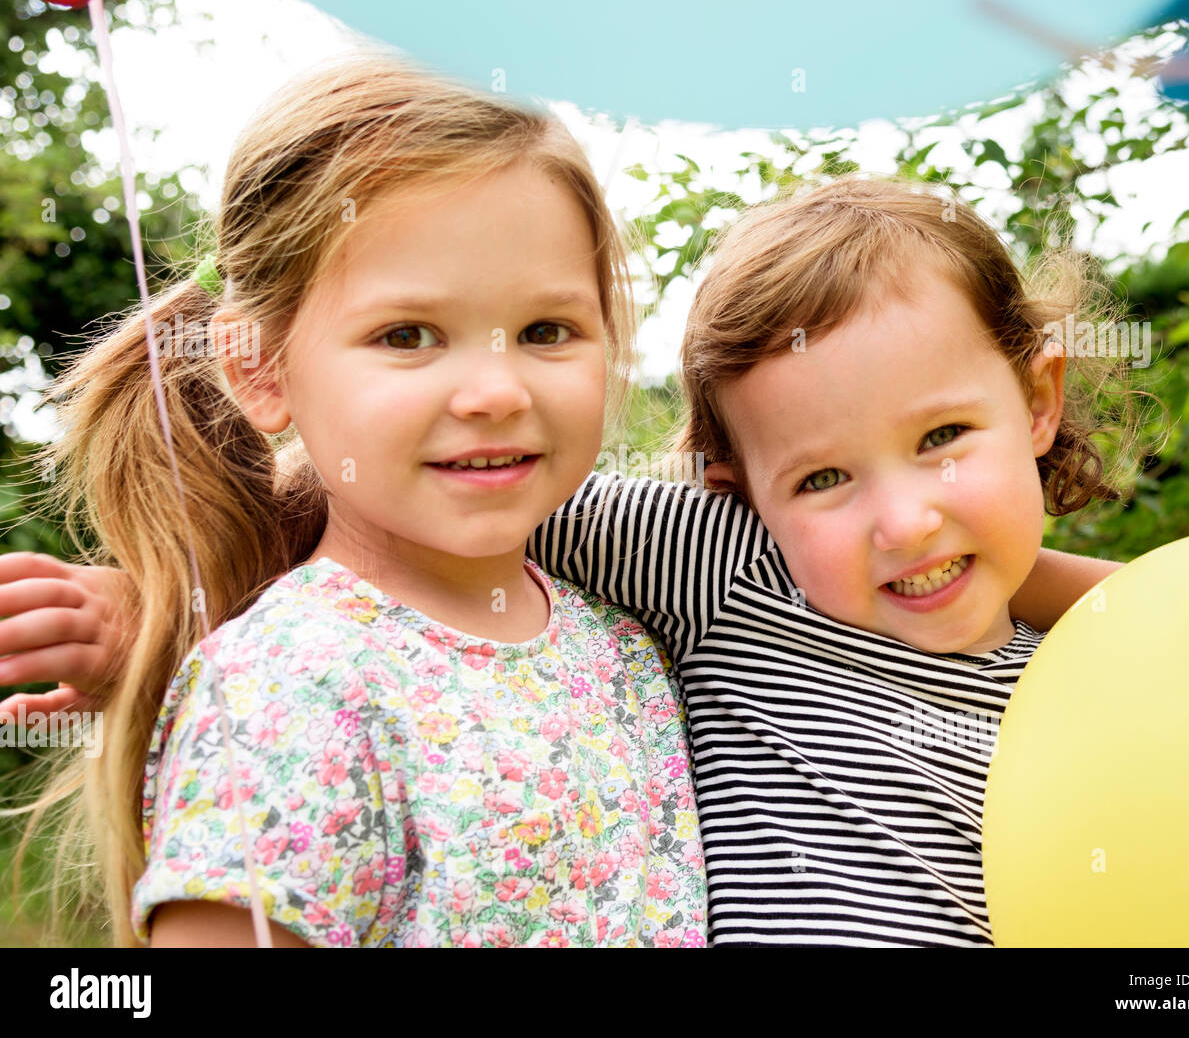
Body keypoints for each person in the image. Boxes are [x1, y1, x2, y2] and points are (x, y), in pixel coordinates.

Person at [0, 173, 1130, 945]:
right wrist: (164, 606)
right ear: (735, 492)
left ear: (1037, 397)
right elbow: (436, 506)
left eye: (941, 441)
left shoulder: (1119, 680)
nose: (905, 524)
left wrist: (1183, 619)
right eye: (821, 479)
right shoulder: (727, 567)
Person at [0, 52, 706, 948]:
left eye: (544, 330)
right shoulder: (284, 691)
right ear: (260, 367)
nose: (495, 389)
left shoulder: (632, 643)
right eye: (407, 335)